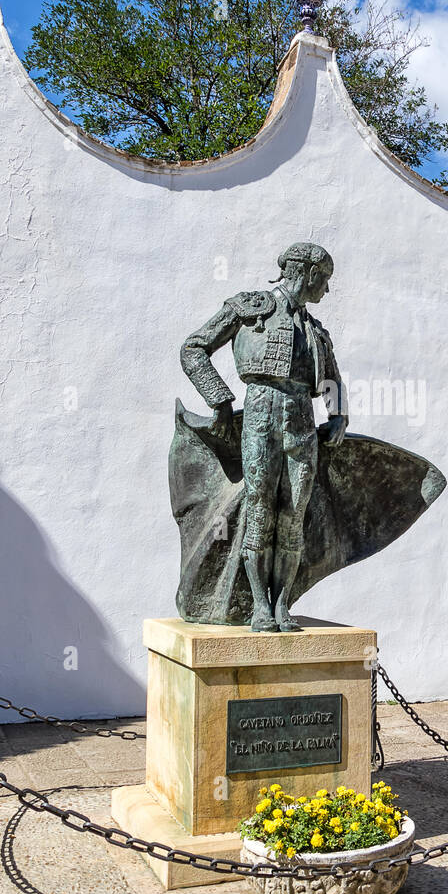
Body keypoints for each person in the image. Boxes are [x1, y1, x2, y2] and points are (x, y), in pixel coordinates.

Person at [180, 242, 347, 632]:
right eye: (324, 279)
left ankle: (281, 605)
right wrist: (220, 400)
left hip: (301, 420)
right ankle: (258, 605)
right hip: (260, 411)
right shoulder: (250, 308)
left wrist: (337, 416)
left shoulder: (315, 331)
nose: (326, 289)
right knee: (259, 506)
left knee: (294, 513)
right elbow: (194, 348)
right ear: (306, 272)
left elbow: (331, 380)